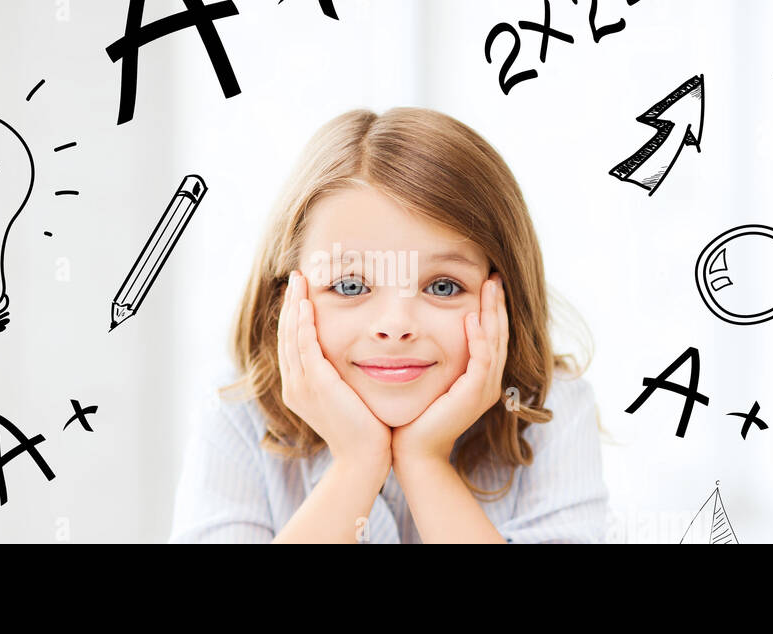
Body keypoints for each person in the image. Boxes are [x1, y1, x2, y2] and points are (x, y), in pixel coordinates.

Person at [169, 107, 607, 543]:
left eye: (442, 287)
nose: (395, 326)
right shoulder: (238, 412)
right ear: (289, 300)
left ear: (503, 297)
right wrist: (356, 465)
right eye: (350, 285)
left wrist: (425, 462)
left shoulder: (549, 410)